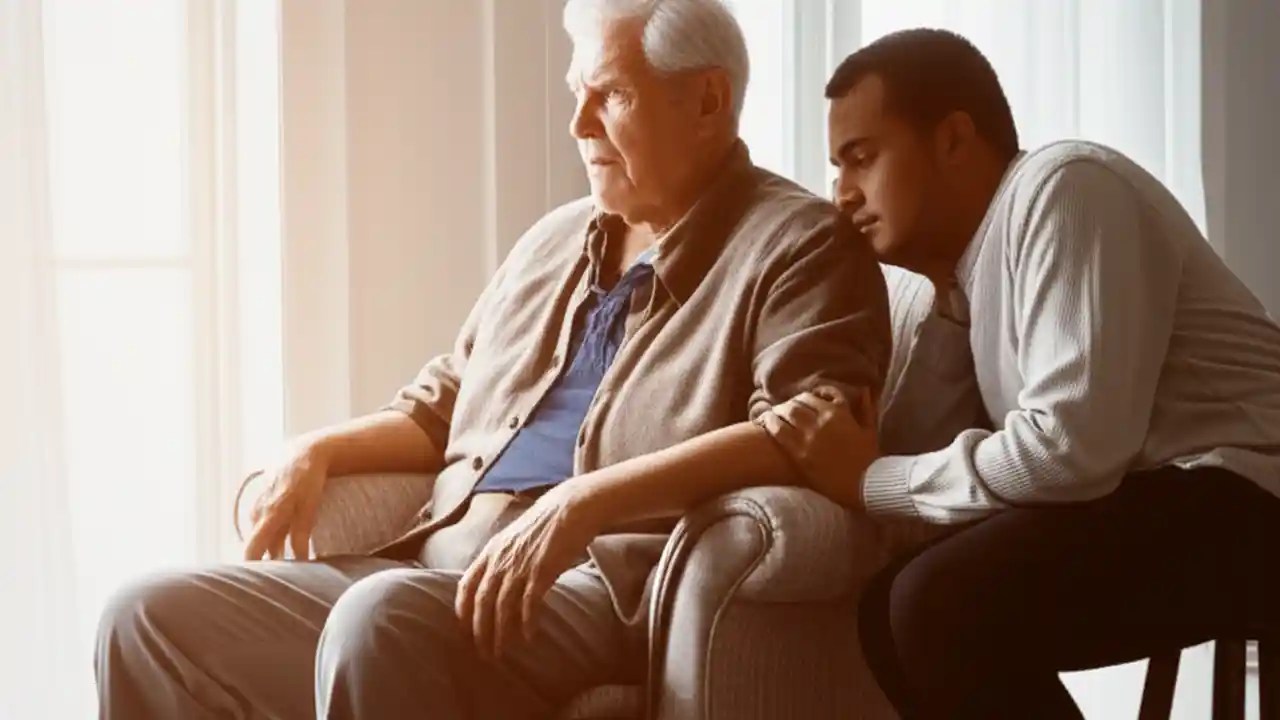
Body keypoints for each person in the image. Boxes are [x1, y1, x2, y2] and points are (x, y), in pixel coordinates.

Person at [94, 1, 890, 718]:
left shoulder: (801, 245)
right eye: (577, 91)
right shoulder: (555, 238)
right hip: (433, 562)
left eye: (609, 94)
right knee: (145, 618)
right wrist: (318, 451)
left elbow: (805, 433)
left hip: (586, 589)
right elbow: (445, 402)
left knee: (381, 618)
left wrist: (583, 502)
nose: (578, 122)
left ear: (708, 99)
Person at [783, 27, 1280, 718]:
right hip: (1161, 497)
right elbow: (958, 467)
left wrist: (871, 481)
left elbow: (1070, 451)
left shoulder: (1065, 186)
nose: (841, 195)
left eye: (861, 159)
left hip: (1249, 494)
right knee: (885, 614)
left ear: (954, 139)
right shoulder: (964, 277)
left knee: (938, 603)